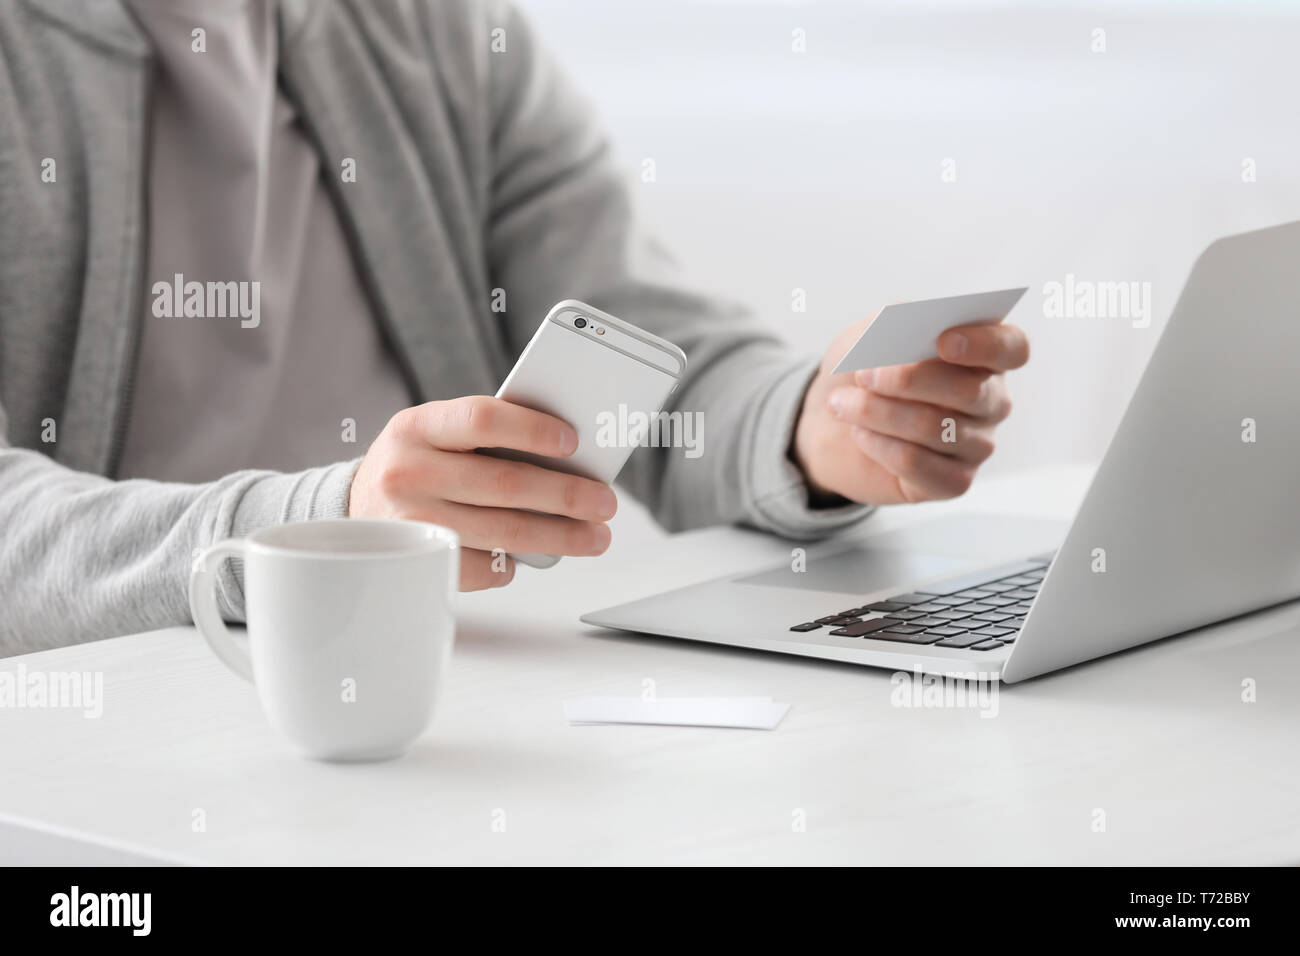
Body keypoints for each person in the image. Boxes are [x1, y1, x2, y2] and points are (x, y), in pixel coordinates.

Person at [0, 0, 1028, 654]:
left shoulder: (441, 30)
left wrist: (809, 427)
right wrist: (325, 524)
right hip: (156, 704)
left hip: (462, 682)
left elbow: (648, 341)